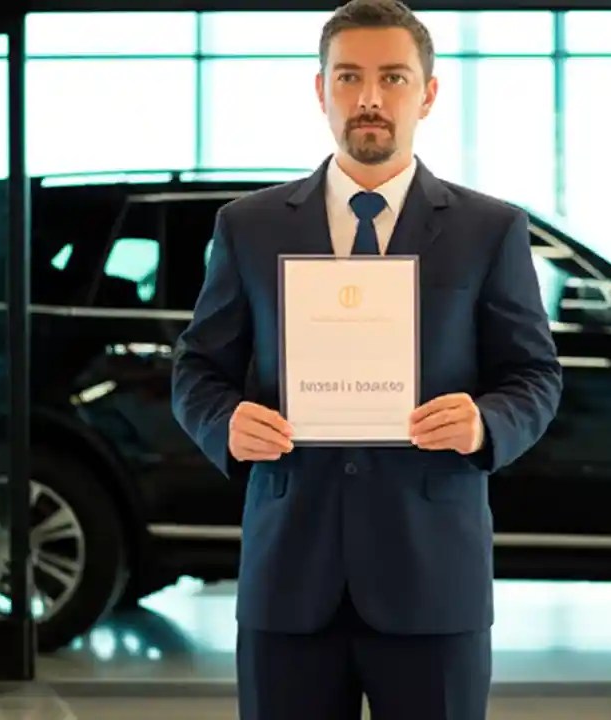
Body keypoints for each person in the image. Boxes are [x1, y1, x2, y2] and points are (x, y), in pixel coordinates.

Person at [170, 0, 562, 717]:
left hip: (433, 575)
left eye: (393, 77)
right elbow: (197, 368)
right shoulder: (248, 226)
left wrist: (485, 424)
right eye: (348, 77)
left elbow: (534, 374)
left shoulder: (490, 229)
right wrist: (223, 423)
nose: (371, 98)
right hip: (288, 572)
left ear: (429, 93)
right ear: (320, 91)